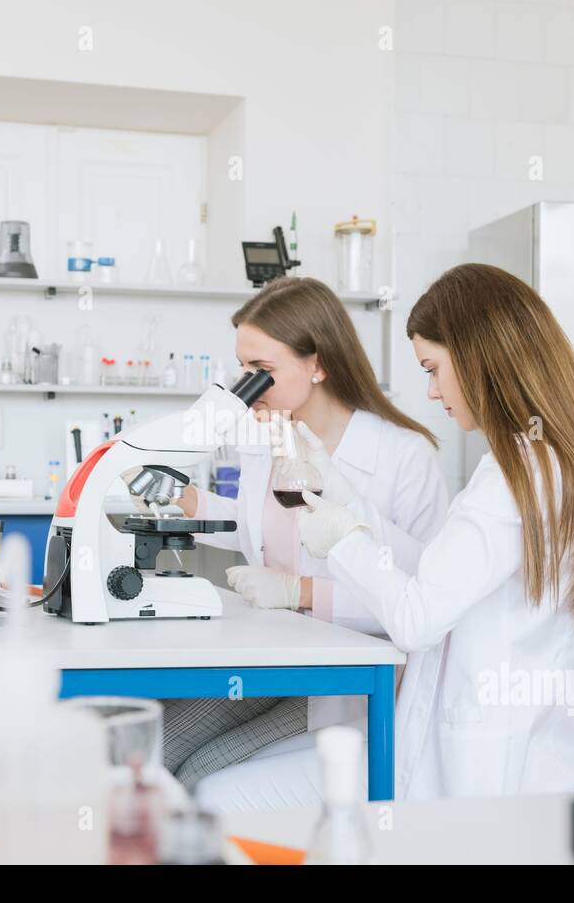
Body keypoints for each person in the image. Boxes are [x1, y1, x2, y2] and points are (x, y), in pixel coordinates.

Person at [193, 263, 574, 811]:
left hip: (471, 766)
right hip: (453, 742)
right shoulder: (540, 462)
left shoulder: (516, 477)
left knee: (217, 794)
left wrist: (344, 540)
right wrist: (346, 498)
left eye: (434, 368)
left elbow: (415, 619)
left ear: (479, 354)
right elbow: (433, 567)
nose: (432, 390)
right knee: (222, 780)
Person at [160, 276, 448, 790]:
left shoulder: (403, 457)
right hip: (274, 655)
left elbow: (423, 598)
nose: (245, 387)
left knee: (202, 774)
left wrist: (301, 593)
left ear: (317, 364)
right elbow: (266, 531)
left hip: (340, 680)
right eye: (243, 369)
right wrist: (191, 503)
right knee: (156, 748)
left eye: (261, 371)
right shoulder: (269, 436)